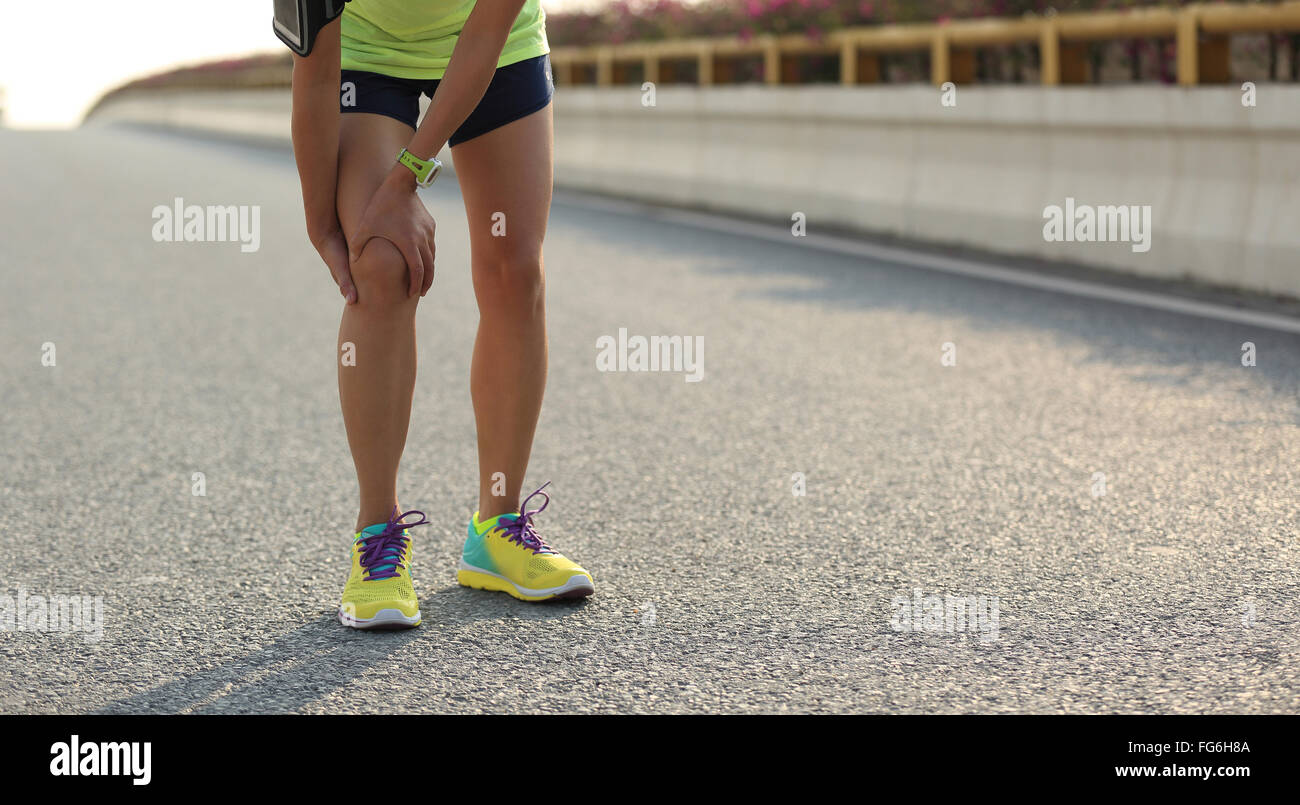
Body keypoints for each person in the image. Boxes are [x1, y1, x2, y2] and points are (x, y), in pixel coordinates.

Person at [287, 0, 593, 629]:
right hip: (366, 58)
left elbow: (484, 35)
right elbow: (316, 73)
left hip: (496, 48)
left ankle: (497, 531)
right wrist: (321, 222)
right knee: (381, 264)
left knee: (516, 272)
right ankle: (377, 540)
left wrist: (407, 177)